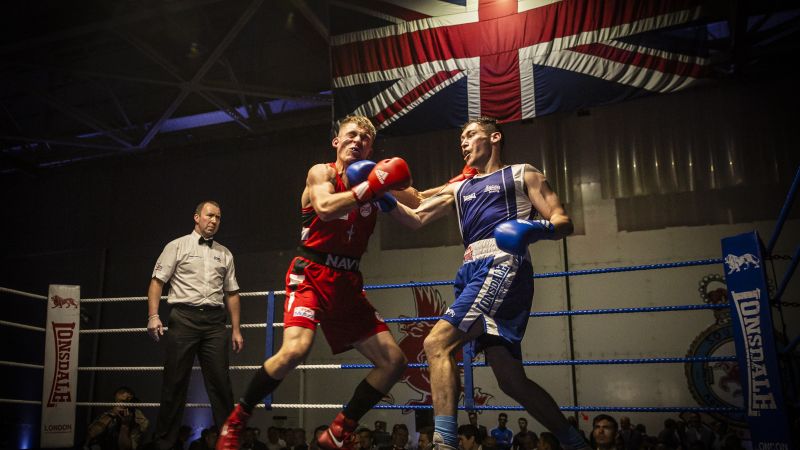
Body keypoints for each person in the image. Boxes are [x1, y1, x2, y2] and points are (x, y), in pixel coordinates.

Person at [216, 115, 413, 450]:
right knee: (295, 349)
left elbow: (420, 200)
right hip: (311, 272)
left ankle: (339, 430)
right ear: (336, 141)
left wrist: (464, 182)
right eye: (351, 135)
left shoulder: (375, 180)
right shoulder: (322, 172)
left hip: (348, 282)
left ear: (371, 147)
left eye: (365, 138)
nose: (358, 141)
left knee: (394, 362)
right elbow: (324, 208)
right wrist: (370, 188)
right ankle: (237, 420)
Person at [388, 117, 585, 449]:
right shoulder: (460, 187)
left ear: (495, 137)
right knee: (511, 381)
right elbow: (417, 212)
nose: (463, 142)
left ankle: (444, 442)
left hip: (502, 264)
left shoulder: (523, 173)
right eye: (461, 138)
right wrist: (380, 195)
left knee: (436, 344)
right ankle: (574, 441)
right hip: (470, 271)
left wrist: (536, 229)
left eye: (470, 135)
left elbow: (562, 220)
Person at [147, 200, 244, 449]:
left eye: (218, 217)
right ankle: (164, 443)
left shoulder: (225, 253)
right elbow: (157, 282)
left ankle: (227, 442)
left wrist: (235, 329)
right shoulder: (176, 246)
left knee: (221, 384)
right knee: (175, 382)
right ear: (197, 217)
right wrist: (153, 316)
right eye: (210, 215)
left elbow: (232, 293)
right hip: (184, 318)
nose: (214, 220)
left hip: (214, 322)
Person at [85, 386, 149, 450]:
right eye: (117, 402)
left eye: (124, 401)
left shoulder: (139, 419)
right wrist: (111, 415)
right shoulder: (111, 413)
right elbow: (91, 434)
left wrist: (125, 425)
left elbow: (126, 448)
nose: (120, 405)